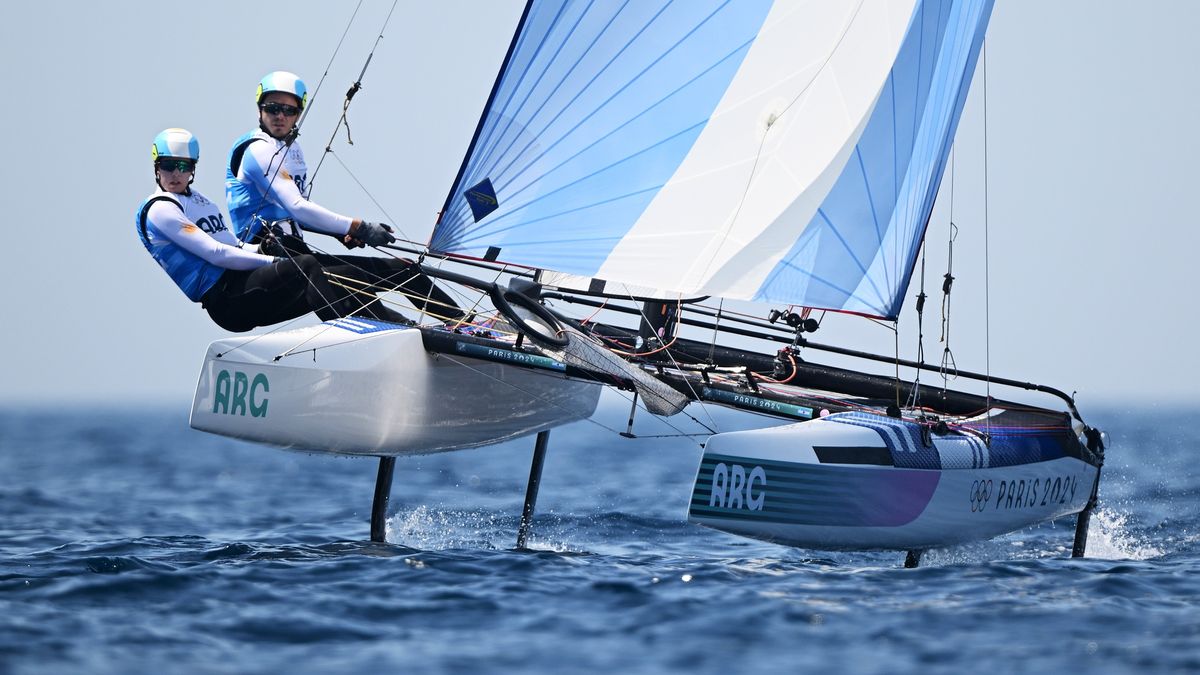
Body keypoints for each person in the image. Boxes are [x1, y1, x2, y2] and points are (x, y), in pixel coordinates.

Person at [226, 71, 463, 321]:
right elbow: (297, 207)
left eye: (289, 110)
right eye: (273, 108)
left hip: (297, 249)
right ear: (260, 109)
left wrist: (339, 233)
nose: (280, 116)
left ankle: (461, 326)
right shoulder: (258, 150)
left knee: (403, 270)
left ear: (298, 114)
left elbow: (298, 214)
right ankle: (430, 328)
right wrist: (358, 227)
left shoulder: (291, 149)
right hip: (273, 255)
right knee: (356, 279)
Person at [136, 128, 412, 332]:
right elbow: (217, 253)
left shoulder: (201, 202)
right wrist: (273, 260)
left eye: (183, 166)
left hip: (244, 285)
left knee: (343, 276)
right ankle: (355, 335)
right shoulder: (160, 210)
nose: (175, 174)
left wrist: (259, 248)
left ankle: (402, 328)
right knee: (307, 265)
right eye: (168, 166)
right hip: (226, 300)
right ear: (156, 167)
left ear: (192, 169)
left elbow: (234, 245)